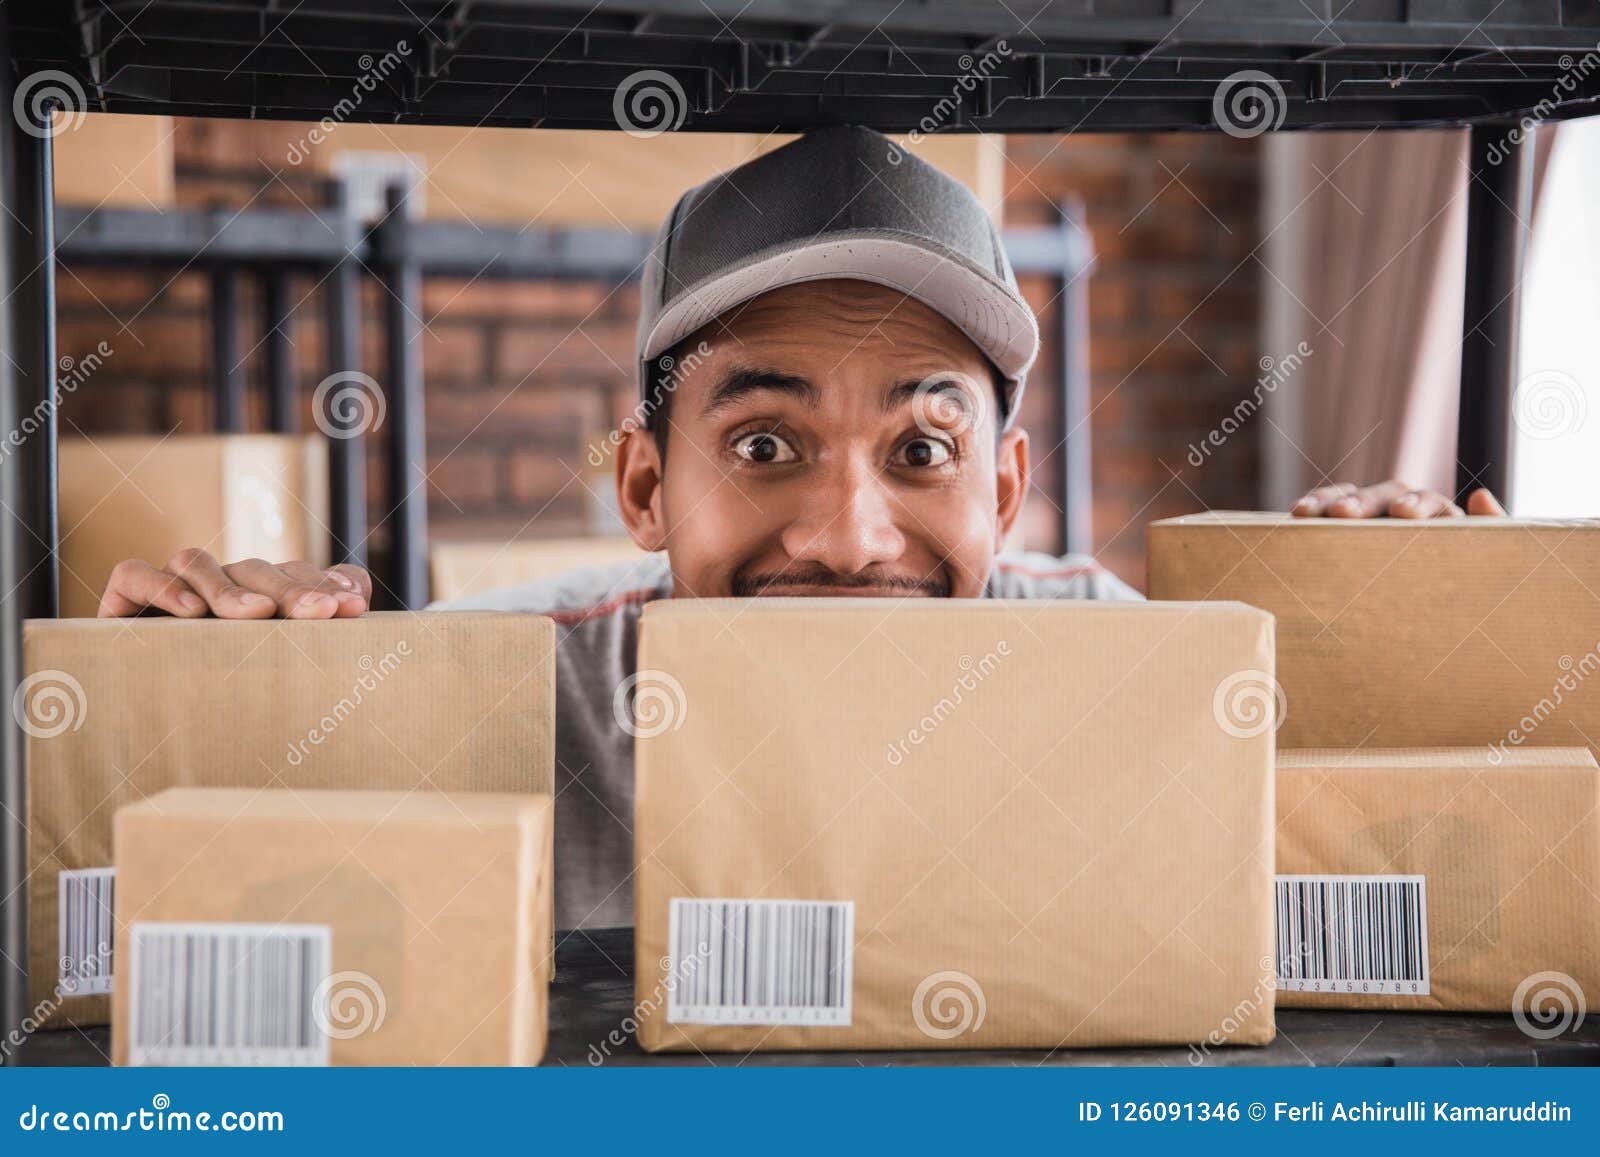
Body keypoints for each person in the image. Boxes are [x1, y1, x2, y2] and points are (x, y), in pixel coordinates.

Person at [95, 126, 1506, 928]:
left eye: (921, 450)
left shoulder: (1131, 676)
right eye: (765, 444)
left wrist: (1405, 631)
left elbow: (1441, 849)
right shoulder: (500, 696)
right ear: (645, 487)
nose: (847, 536)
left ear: (1004, 495)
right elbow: (138, 867)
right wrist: (194, 682)